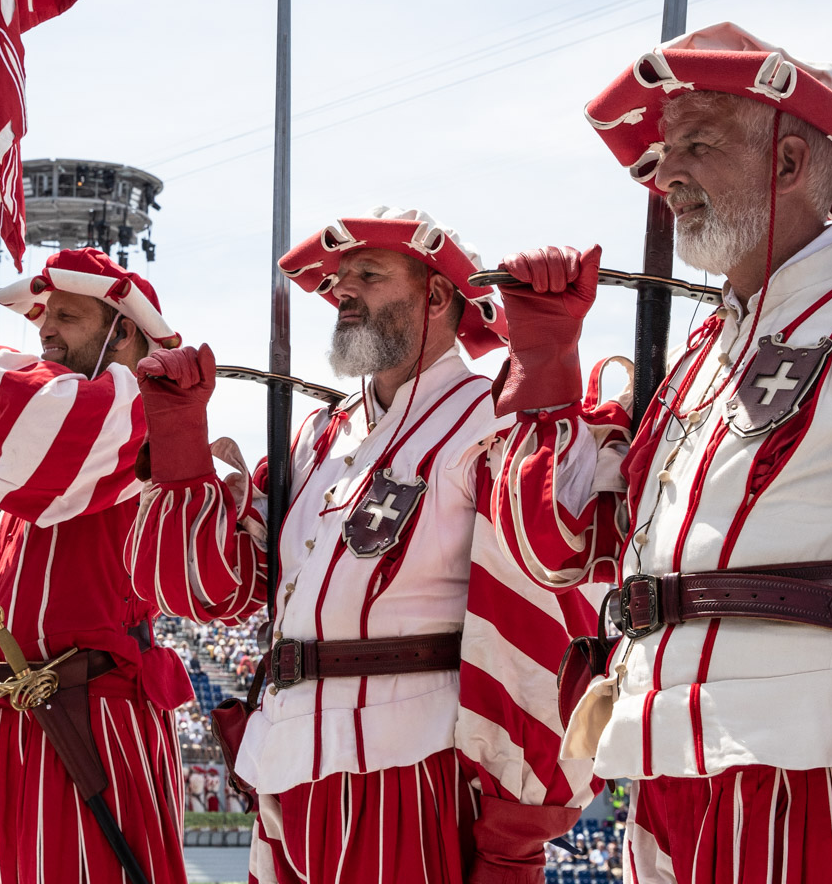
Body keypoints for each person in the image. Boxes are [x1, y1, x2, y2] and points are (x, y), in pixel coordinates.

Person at [487, 23, 832, 883]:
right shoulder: (695, 363)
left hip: (815, 780)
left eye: (698, 142)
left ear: (788, 165)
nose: (666, 174)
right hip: (665, 778)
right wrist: (547, 374)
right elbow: (562, 551)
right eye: (663, 151)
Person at [130, 208, 598, 884]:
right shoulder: (316, 434)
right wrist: (177, 438)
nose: (343, 291)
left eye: (368, 276)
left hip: (407, 765)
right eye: (340, 280)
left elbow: (546, 598)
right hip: (284, 764)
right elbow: (216, 591)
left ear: (437, 295)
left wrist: (517, 818)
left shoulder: (494, 417)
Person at [0, 247, 196, 884]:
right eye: (44, 316)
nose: (45, 329)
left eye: (69, 316)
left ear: (125, 330)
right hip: (16, 718)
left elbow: (35, 434)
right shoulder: (59, 434)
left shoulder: (138, 408)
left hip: (92, 718)